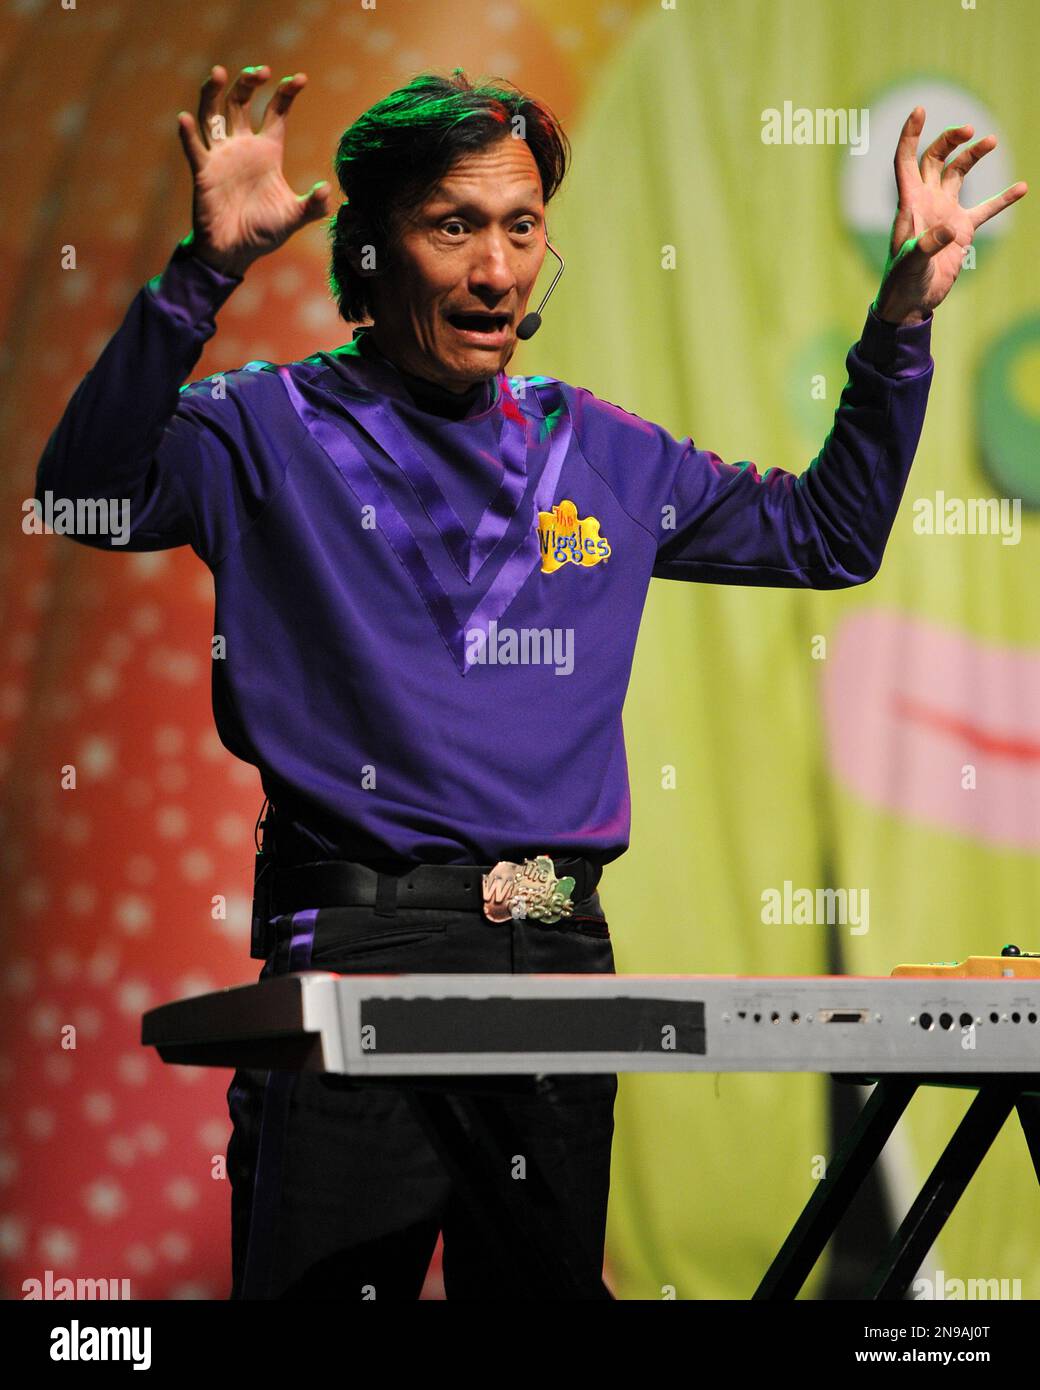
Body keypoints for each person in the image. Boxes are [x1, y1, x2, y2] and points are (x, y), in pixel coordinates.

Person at [36, 63, 1026, 1300]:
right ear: (369, 255)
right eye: (452, 226)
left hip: (559, 949)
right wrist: (202, 277)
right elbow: (79, 491)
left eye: (519, 227)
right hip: (356, 944)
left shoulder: (597, 447)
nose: (496, 270)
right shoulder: (266, 429)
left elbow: (826, 537)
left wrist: (897, 328)